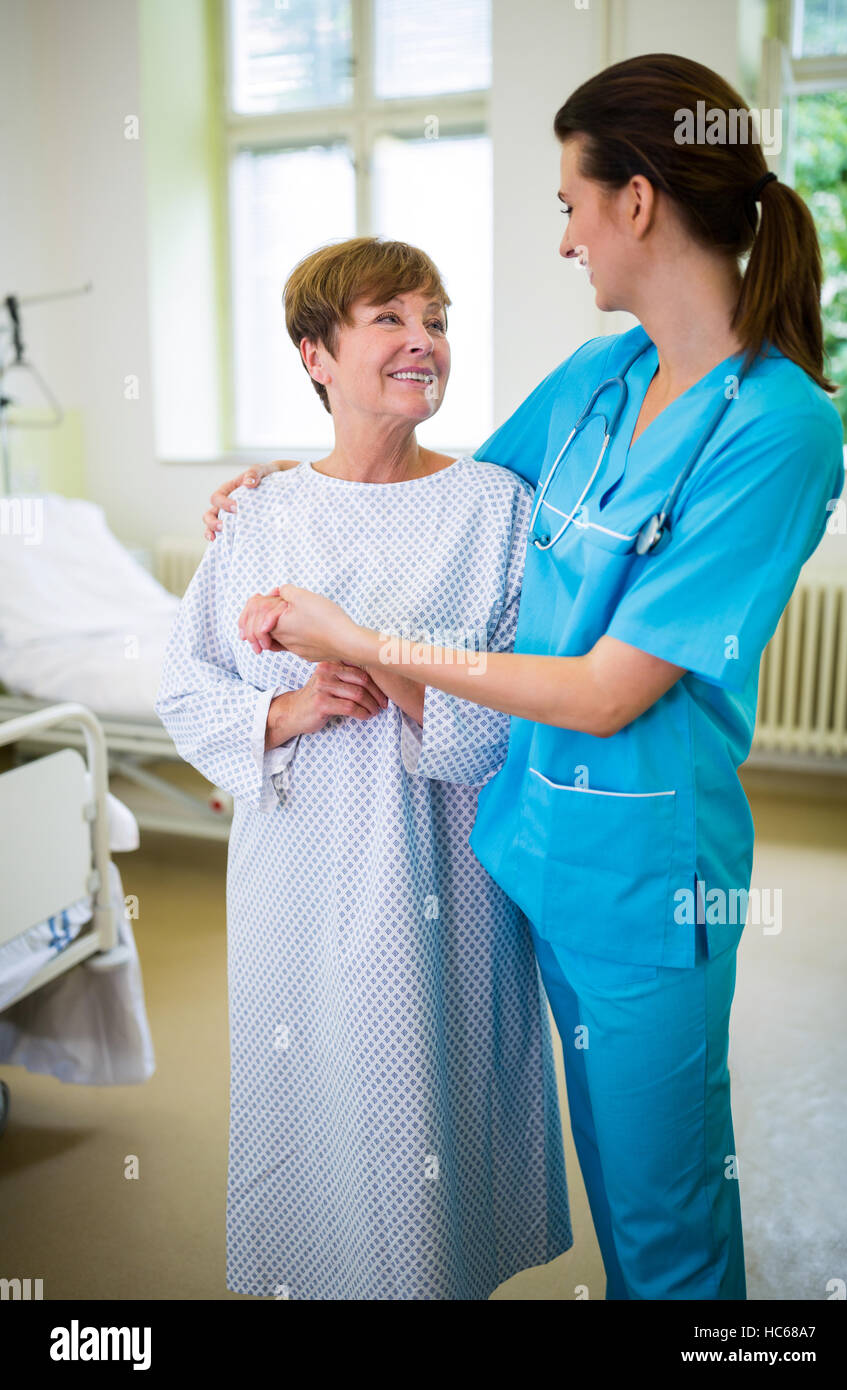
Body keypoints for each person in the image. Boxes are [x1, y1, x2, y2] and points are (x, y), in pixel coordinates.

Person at [215, 55, 846, 1300]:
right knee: (606, 1185)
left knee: (662, 1227)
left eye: (568, 202)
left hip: (647, 889)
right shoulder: (602, 380)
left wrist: (363, 642)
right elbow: (419, 483)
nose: (562, 241)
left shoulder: (776, 427)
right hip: (525, 851)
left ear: (637, 201)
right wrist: (280, 487)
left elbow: (611, 691)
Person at [157, 236, 572, 1300]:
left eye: (435, 319)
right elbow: (186, 686)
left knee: (434, 1110)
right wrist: (289, 708)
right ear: (315, 355)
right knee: (319, 1107)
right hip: (303, 876)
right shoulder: (258, 517)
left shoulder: (495, 511)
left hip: (451, 884)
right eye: (388, 318)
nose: (421, 341)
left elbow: (512, 722)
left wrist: (371, 657)